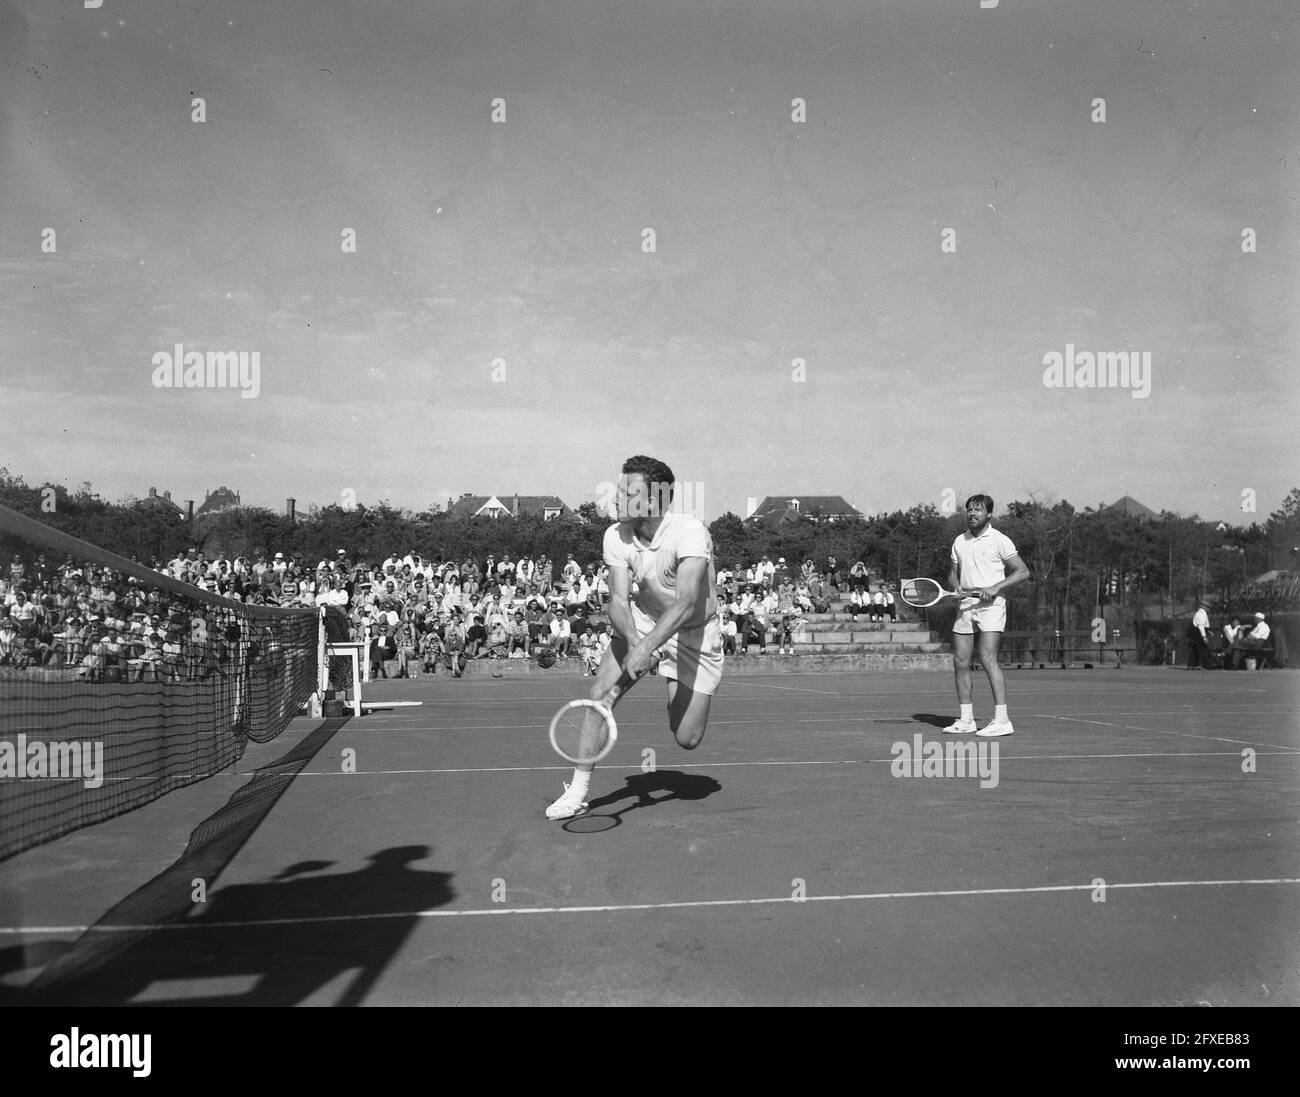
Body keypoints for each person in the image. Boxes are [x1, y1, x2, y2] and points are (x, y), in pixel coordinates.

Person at [545, 455, 724, 820]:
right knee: (598, 697)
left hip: (695, 633)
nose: (616, 498)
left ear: (654, 501)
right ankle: (577, 793)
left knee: (686, 737)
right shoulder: (616, 535)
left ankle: (672, 678)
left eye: (628, 492)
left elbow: (688, 602)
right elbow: (617, 601)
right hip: (643, 621)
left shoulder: (689, 532)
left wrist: (647, 649)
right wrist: (635, 640)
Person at [942, 494, 1031, 737]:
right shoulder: (959, 541)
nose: (972, 514)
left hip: (991, 606)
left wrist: (996, 587)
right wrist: (956, 585)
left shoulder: (999, 540)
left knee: (987, 657)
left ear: (988, 514)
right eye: (969, 510)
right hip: (966, 606)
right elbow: (953, 572)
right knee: (960, 661)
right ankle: (966, 720)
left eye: (978, 510)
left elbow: (1023, 571)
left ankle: (1002, 720)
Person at [1186, 597, 1215, 670]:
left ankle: (1193, 664)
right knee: (1204, 649)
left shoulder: (1202, 613)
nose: (1209, 609)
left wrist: (1208, 632)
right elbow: (1201, 626)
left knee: (1196, 649)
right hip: (1198, 634)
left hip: (1199, 633)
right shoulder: (1200, 614)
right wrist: (1204, 636)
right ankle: (1207, 665)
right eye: (1208, 607)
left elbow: (1203, 626)